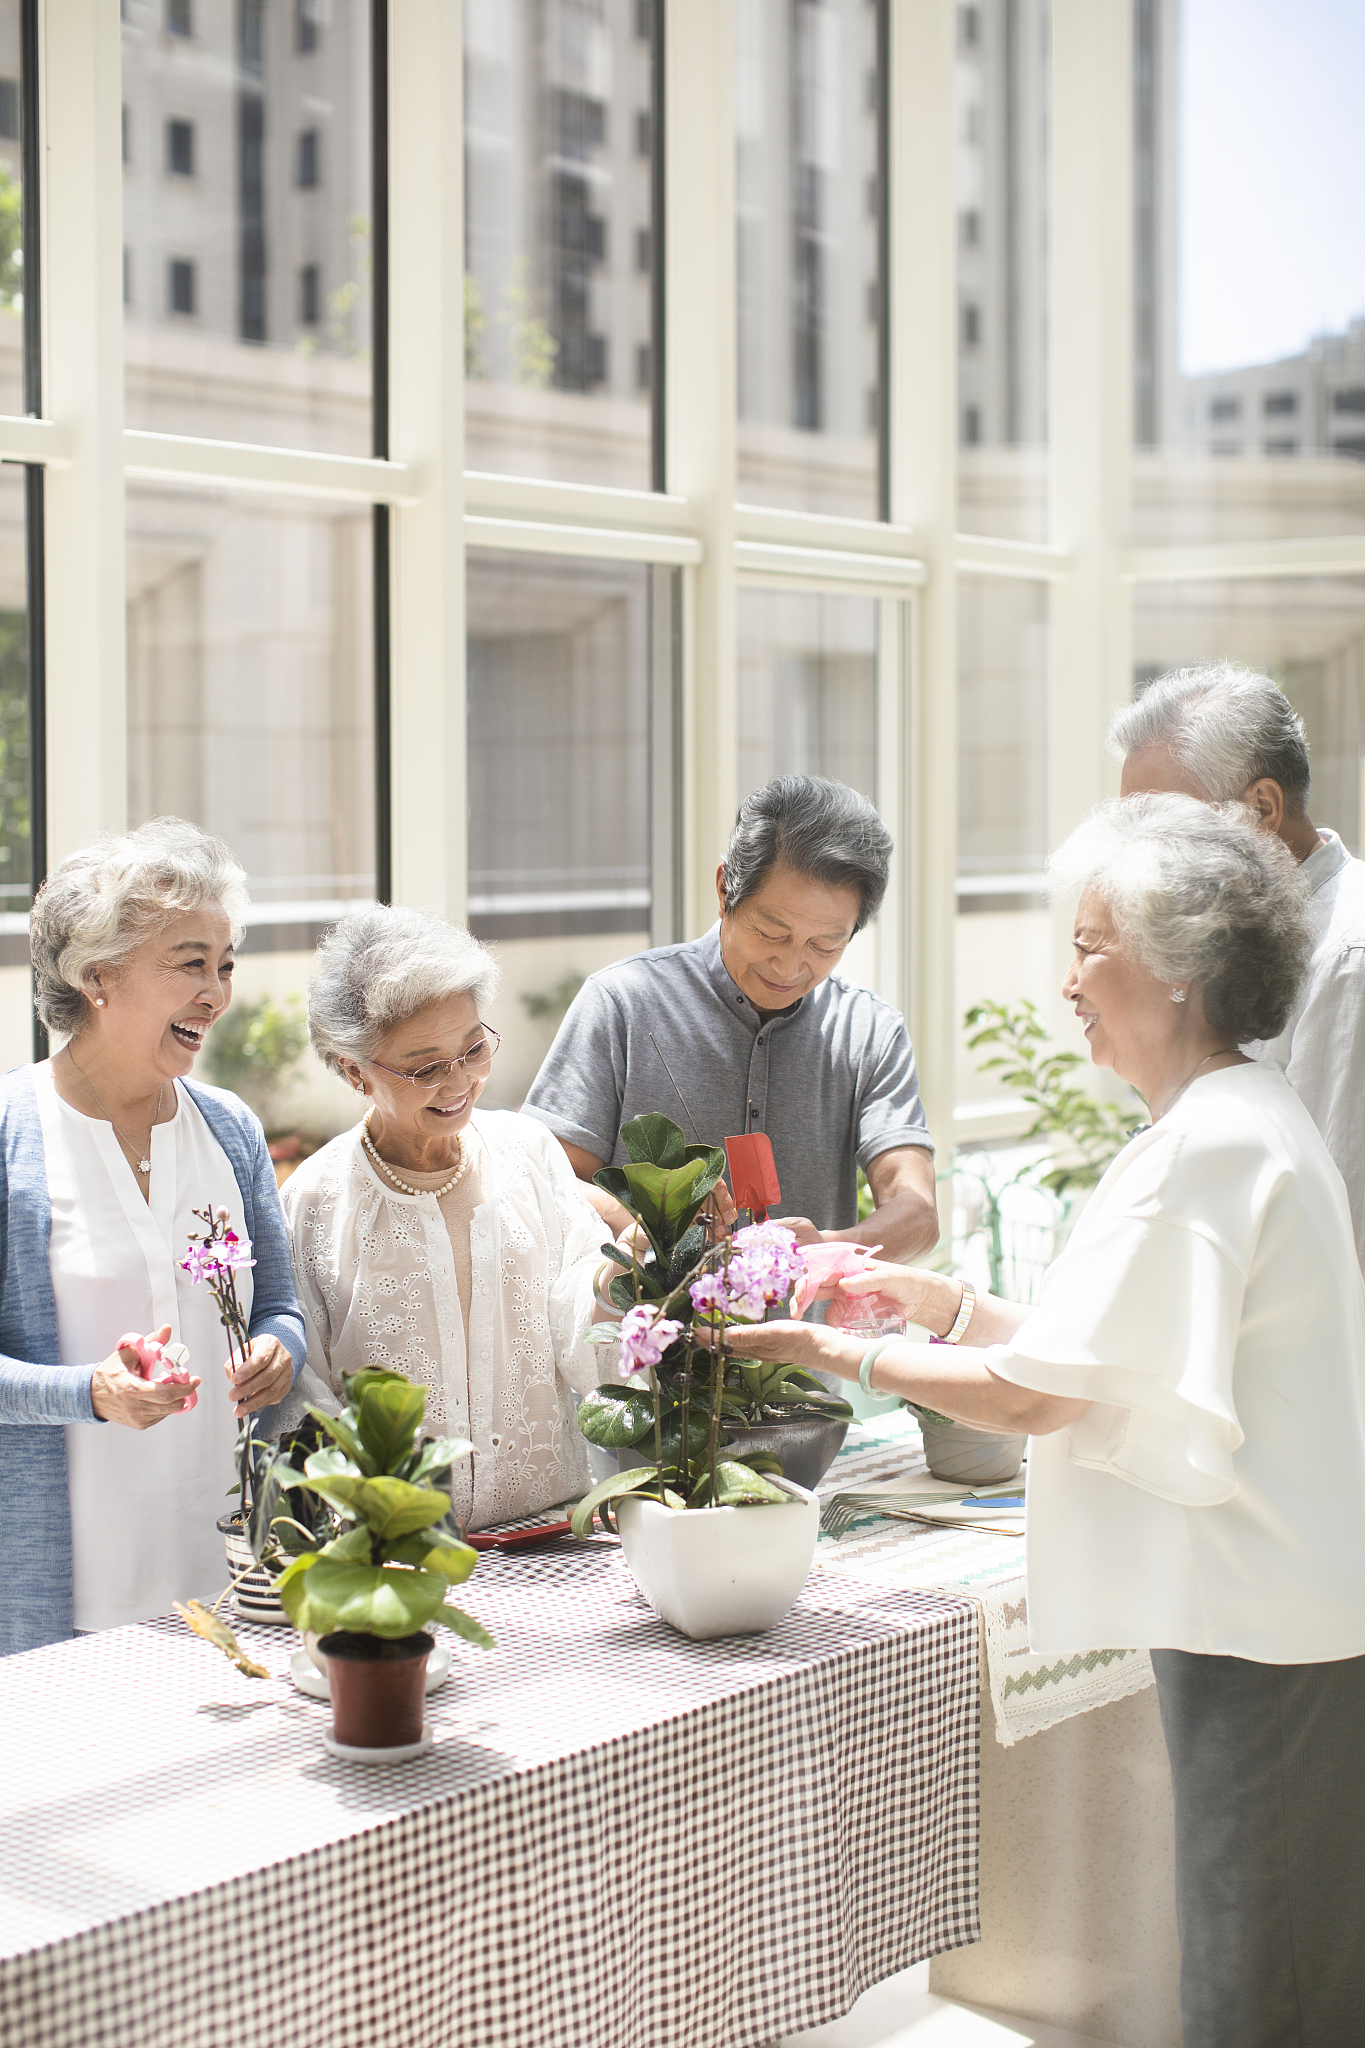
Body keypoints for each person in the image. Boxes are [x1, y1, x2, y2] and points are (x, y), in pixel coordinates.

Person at [727, 794, 1365, 2047]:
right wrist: (943, 1303)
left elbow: (1044, 1395)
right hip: (1269, 1615)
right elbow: (1113, 1355)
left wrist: (845, 1349)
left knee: (1262, 1988)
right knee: (1269, 1964)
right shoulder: (1236, 1119)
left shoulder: (1204, 1147)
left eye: (1088, 946)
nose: (1067, 981)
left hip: (1262, 1626)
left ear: (1176, 967)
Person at [0, 818, 306, 1658]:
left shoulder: (231, 1129)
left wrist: (279, 1351)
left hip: (233, 1582)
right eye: (190, 963)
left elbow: (280, 1307)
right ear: (98, 975)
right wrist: (90, 1394)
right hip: (72, 1604)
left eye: (225, 965)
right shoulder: (11, 1134)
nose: (217, 994)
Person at [280, 906, 609, 1531]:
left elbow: (585, 1332)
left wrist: (621, 1276)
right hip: (401, 1551)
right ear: (354, 1070)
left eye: (474, 1048)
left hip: (548, 1528)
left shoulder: (529, 1153)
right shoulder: (314, 1202)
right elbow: (305, 1396)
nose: (459, 1082)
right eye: (425, 1067)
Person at [522, 775, 938, 1263]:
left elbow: (918, 1213)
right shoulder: (623, 1003)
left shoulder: (868, 1031)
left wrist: (827, 1249)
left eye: (825, 945)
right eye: (771, 932)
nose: (789, 966)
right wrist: (648, 1217)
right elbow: (540, 1180)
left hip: (804, 1316)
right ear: (725, 891)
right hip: (643, 1313)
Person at [1112, 661, 1365, 1263]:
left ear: (1263, 807)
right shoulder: (1229, 937)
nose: (1144, 855)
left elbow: (1337, 1227)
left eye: (1168, 826)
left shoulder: (1346, 959)